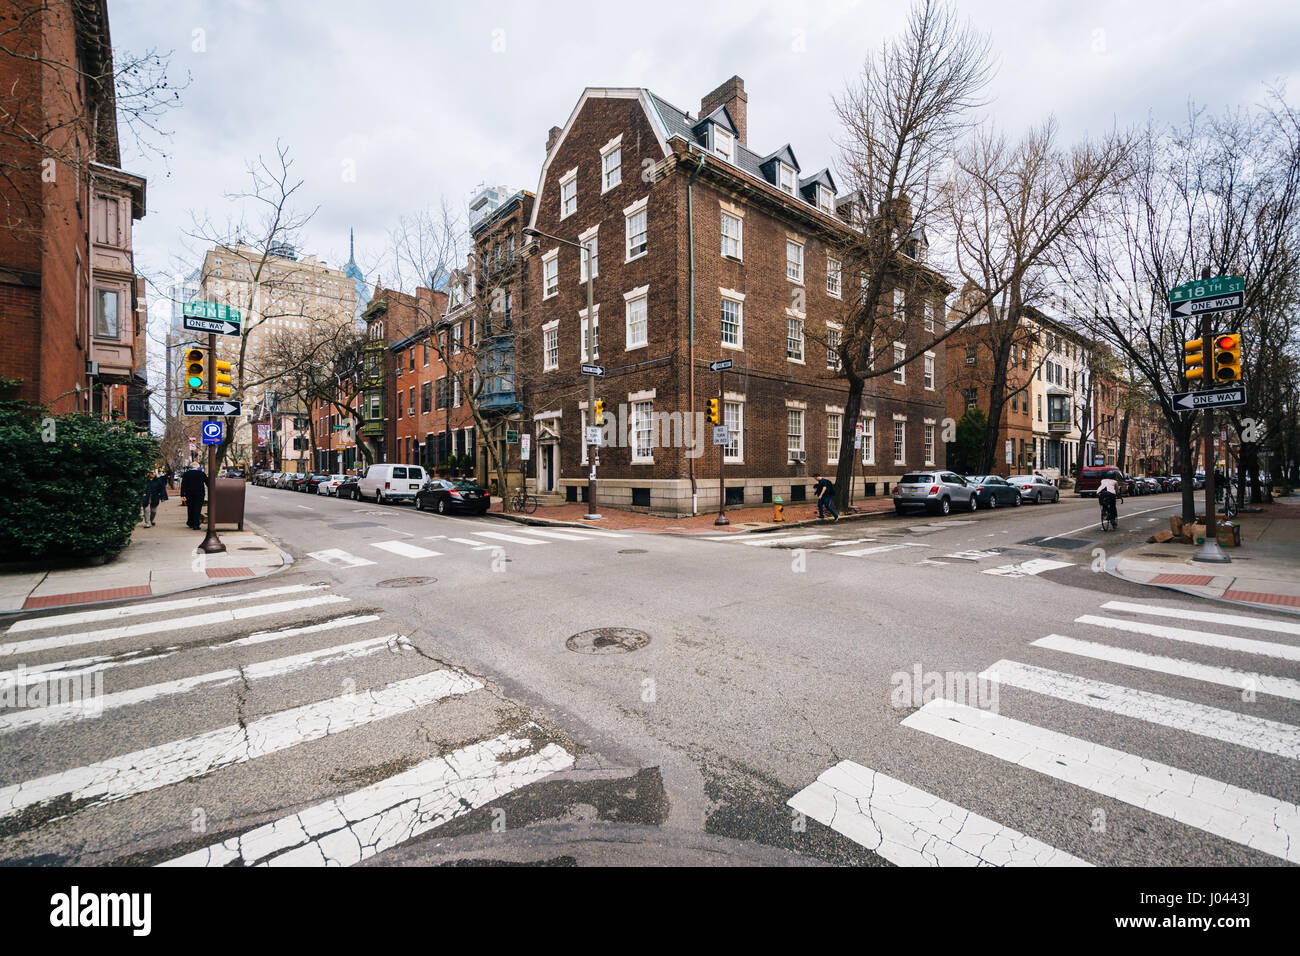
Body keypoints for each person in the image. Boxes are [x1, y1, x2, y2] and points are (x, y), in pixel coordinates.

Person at [180, 465, 209, 530]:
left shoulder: (186, 474)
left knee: (190, 508)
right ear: (198, 467)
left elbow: (183, 485)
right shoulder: (202, 474)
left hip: (189, 494)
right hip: (200, 494)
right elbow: (207, 483)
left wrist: (182, 495)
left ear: (190, 467)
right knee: (197, 509)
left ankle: (190, 522)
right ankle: (196, 524)